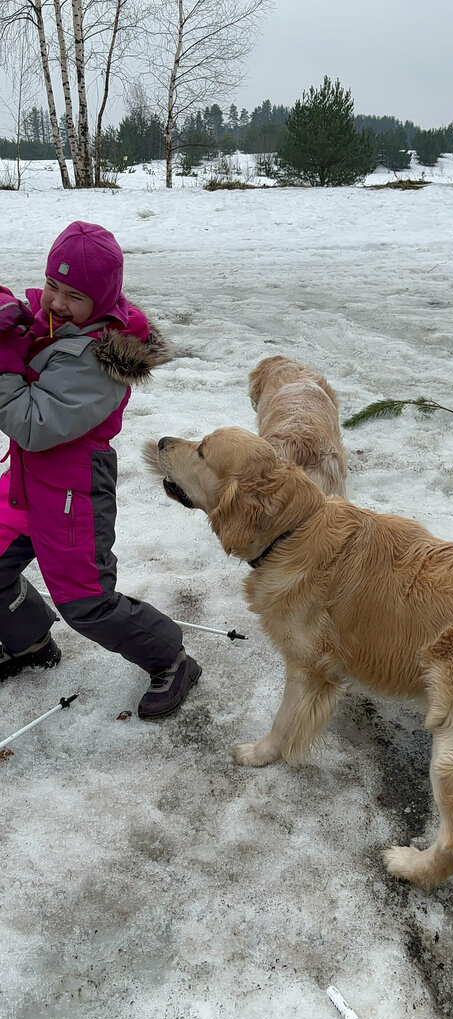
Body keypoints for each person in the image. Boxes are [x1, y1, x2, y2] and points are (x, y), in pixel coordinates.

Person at [0, 220, 201, 718]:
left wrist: (3, 358)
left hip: (73, 487)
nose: (56, 302)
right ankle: (28, 643)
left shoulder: (99, 360)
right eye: (52, 286)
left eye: (74, 295)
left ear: (105, 301)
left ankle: (170, 659)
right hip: (28, 481)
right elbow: (32, 333)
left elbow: (31, 422)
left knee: (86, 602)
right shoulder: (56, 323)